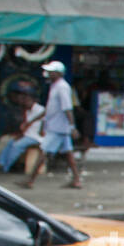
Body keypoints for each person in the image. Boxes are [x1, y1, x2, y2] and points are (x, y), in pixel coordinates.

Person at [24, 61, 81, 189]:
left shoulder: (62, 87)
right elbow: (49, 109)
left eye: (51, 72)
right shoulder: (54, 86)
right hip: (58, 126)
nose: (48, 74)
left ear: (59, 73)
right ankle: (76, 180)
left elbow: (67, 108)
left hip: (58, 127)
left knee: (43, 152)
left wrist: (72, 127)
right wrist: (32, 121)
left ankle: (30, 180)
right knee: (69, 154)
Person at [0, 89, 44, 173]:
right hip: (28, 135)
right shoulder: (28, 110)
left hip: (36, 137)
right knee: (10, 142)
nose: (25, 102)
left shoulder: (40, 110)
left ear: (33, 100)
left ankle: (5, 168)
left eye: (27, 100)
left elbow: (44, 124)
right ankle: (0, 164)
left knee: (17, 146)